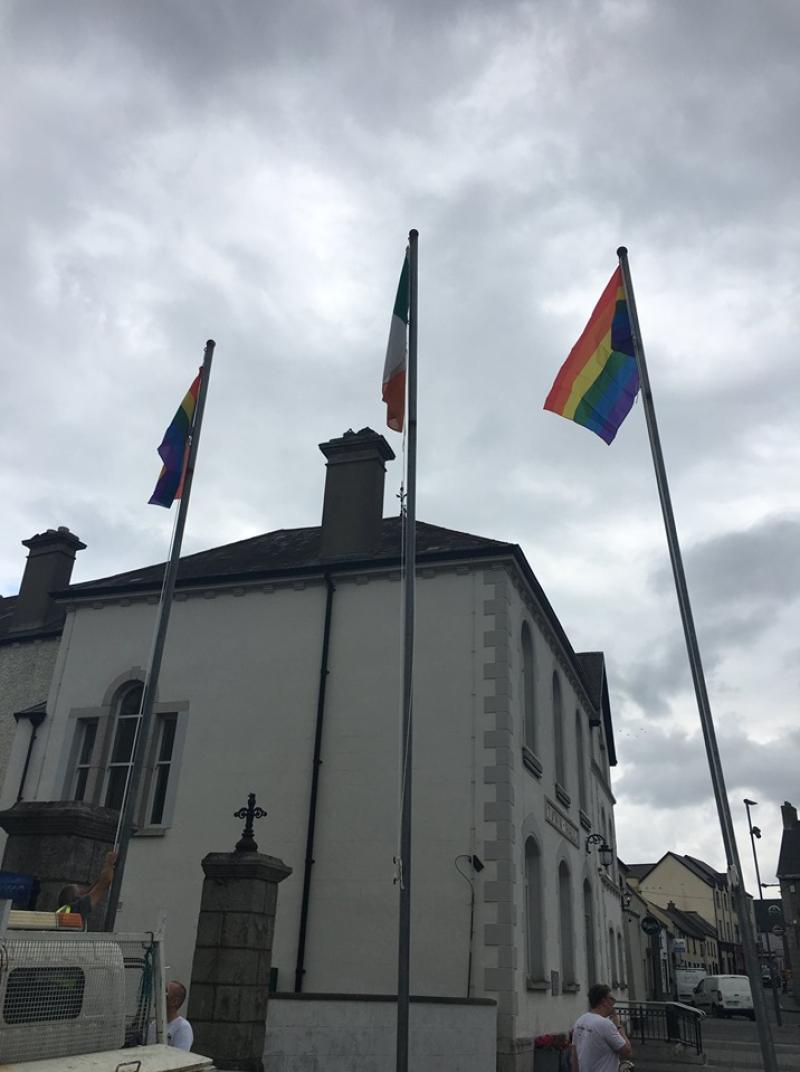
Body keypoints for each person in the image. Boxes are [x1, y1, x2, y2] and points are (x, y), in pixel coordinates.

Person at [571, 983, 632, 1072]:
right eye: (611, 999)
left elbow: (574, 1055)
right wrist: (618, 1026)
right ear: (604, 1002)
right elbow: (627, 1051)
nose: (613, 1003)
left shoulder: (580, 1021)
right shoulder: (605, 1024)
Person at [56, 849, 117, 920]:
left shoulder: (65, 912)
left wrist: (102, 874)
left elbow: (90, 890)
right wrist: (109, 863)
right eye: (81, 892)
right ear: (76, 899)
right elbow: (105, 881)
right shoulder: (75, 909)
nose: (84, 893)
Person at [165, 980, 193, 1050]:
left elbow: (180, 1057)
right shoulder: (153, 1024)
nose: (159, 996)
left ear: (174, 1001)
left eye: (165, 993)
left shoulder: (183, 1027)